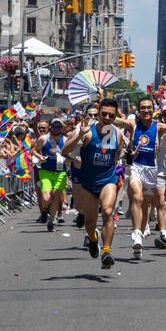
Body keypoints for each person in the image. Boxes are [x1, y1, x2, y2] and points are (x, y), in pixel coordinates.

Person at [62, 98, 127, 269]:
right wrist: (79, 135)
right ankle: (93, 239)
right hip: (88, 184)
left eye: (111, 115)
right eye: (103, 114)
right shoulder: (88, 131)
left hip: (108, 180)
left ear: (115, 117)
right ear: (98, 114)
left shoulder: (118, 134)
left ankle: (106, 252)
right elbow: (64, 150)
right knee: (90, 224)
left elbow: (118, 155)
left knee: (107, 211)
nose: (106, 117)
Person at [117, 97, 166, 257]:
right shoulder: (133, 124)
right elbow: (115, 120)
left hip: (153, 170)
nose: (146, 110)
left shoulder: (158, 126)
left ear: (153, 110)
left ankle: (140, 239)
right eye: (143, 108)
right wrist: (101, 101)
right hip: (136, 167)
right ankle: (137, 233)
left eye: (149, 108)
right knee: (137, 197)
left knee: (146, 207)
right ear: (138, 110)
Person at [31, 118, 71, 231]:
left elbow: (70, 153)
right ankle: (45, 208)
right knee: (47, 198)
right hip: (46, 171)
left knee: (56, 196)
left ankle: (51, 221)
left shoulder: (66, 140)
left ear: (62, 128)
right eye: (54, 126)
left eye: (59, 127)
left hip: (60, 173)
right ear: (50, 127)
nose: (56, 129)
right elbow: (34, 150)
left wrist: (68, 159)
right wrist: (40, 157)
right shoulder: (44, 139)